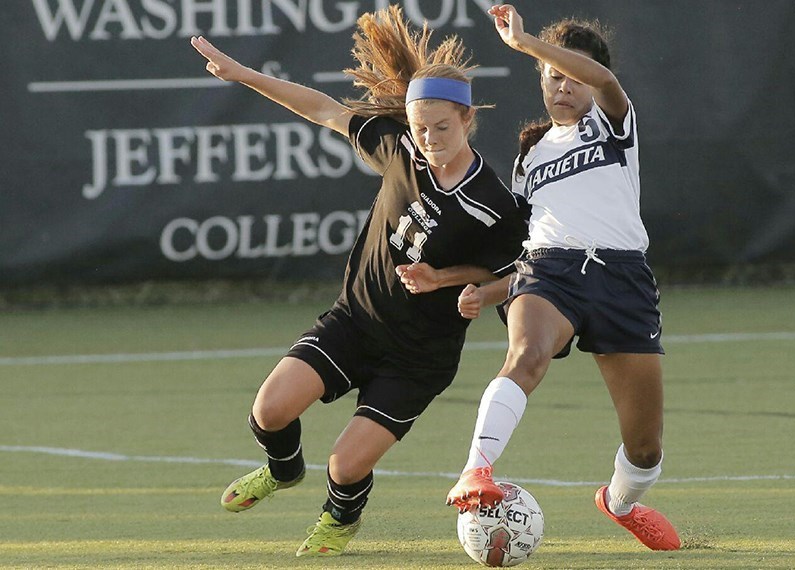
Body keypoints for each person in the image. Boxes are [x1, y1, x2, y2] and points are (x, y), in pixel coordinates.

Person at [190, 5, 529, 557]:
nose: (429, 138)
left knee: (345, 465)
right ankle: (282, 470)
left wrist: (448, 280)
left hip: (418, 356)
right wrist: (243, 75)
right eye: (420, 127)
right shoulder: (400, 151)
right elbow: (323, 109)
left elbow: (505, 272)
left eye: (442, 127)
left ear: (468, 120)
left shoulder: (493, 203)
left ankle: (341, 517)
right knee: (269, 410)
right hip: (356, 321)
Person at [440, 3, 682, 552]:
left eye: (574, 75)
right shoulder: (529, 155)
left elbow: (606, 79)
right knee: (526, 356)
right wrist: (485, 288)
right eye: (554, 77)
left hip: (623, 278)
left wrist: (526, 43)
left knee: (645, 449)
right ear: (541, 82)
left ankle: (619, 503)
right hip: (551, 270)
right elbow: (522, 250)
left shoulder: (613, 122)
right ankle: (477, 469)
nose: (564, 86)